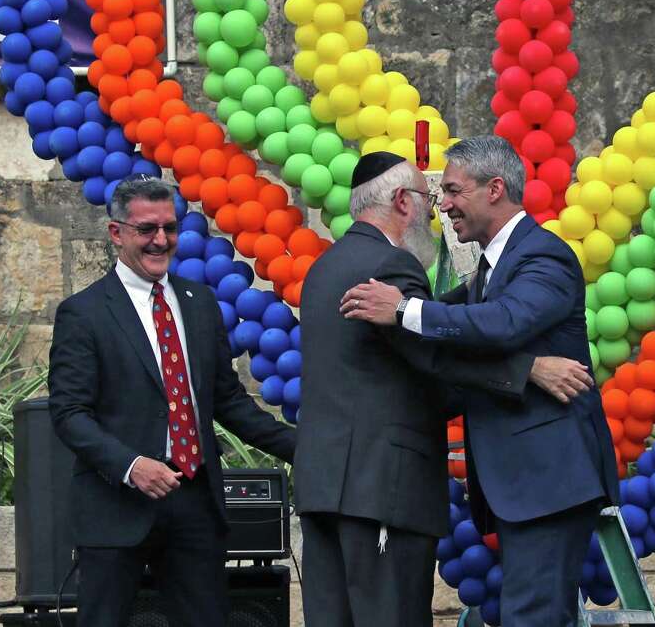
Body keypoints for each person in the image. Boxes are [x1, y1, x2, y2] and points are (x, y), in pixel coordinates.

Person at [296, 151, 594, 627]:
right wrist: (527, 370)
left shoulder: (326, 267)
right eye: (433, 195)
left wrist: (407, 312)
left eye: (451, 192)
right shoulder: (392, 269)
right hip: (382, 486)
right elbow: (432, 357)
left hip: (327, 486)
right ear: (402, 202)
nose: (441, 207)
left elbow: (492, 322)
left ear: (494, 190)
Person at [48, 175, 297, 627]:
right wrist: (132, 466)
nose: (160, 240)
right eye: (146, 229)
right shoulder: (83, 313)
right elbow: (69, 414)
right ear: (116, 233)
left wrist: (306, 449)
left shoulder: (199, 302)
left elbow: (228, 400)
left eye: (169, 228)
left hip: (193, 503)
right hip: (115, 506)